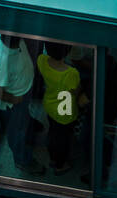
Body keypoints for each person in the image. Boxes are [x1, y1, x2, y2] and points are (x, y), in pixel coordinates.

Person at [0, 33, 39, 175]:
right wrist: (14, 99)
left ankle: (29, 127)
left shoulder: (7, 38)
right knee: (16, 132)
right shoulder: (1, 60)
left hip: (22, 93)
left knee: (22, 122)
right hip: (14, 103)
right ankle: (22, 161)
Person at [36, 43, 84, 173]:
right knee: (63, 138)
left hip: (49, 104)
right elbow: (75, 91)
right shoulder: (71, 73)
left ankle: (52, 152)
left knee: (53, 129)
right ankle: (60, 165)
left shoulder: (42, 59)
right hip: (65, 111)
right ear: (67, 52)